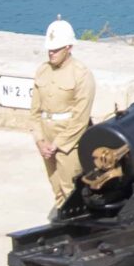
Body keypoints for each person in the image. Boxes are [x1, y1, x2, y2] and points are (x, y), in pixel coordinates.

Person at [31, 18, 95, 210]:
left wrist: (57, 144)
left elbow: (80, 118)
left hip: (68, 140)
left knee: (71, 188)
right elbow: (35, 112)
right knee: (56, 186)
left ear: (68, 48)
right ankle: (61, 217)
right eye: (50, 49)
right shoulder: (43, 71)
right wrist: (40, 140)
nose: (51, 53)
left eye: (56, 49)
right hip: (47, 136)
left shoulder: (81, 74)